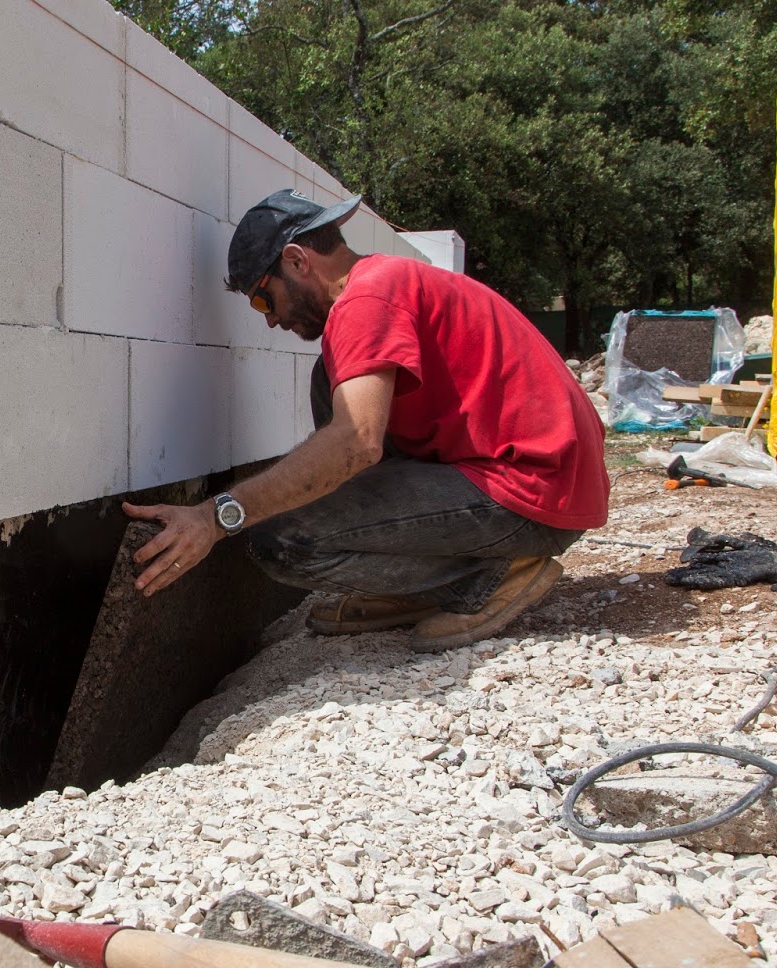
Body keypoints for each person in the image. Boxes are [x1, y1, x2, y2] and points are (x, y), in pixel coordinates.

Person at [122, 189, 609, 652]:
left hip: (532, 493)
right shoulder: (382, 287)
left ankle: (489, 576)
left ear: (296, 261)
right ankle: (418, 583)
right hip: (529, 477)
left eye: (263, 299)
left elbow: (356, 442)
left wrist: (214, 517)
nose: (269, 320)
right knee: (327, 380)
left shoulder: (366, 301)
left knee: (283, 541)